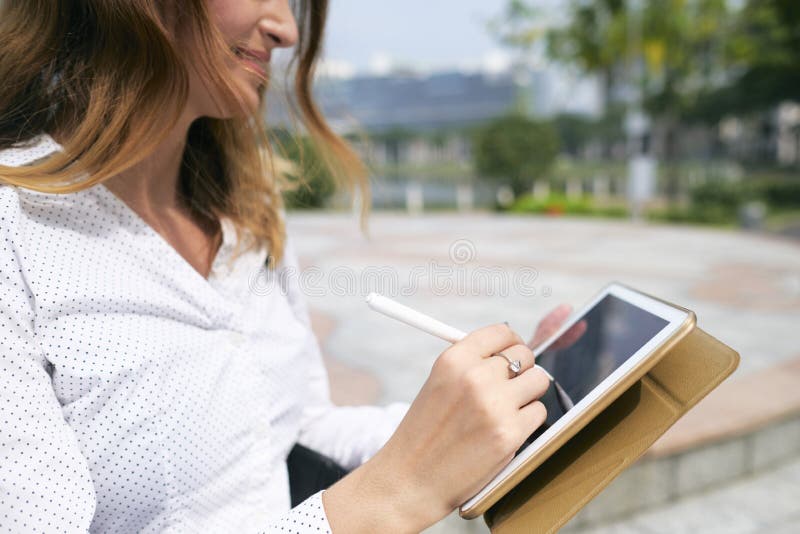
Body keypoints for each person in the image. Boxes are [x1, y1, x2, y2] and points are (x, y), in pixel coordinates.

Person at [0, 1, 566, 532]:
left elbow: (295, 427)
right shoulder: (16, 233)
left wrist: (486, 417)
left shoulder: (247, 218)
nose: (287, 29)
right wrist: (393, 494)